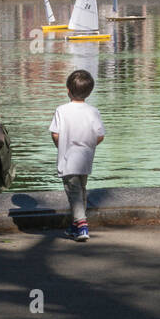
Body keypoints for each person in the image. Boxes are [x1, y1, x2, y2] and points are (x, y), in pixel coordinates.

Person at [50, 69, 105, 242]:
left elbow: (55, 134)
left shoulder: (62, 110)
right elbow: (100, 135)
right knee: (80, 190)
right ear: (90, 92)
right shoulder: (93, 111)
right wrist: (88, 145)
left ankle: (82, 226)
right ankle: (74, 226)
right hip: (86, 158)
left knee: (73, 192)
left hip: (68, 159)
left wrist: (62, 146)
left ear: (67, 89)